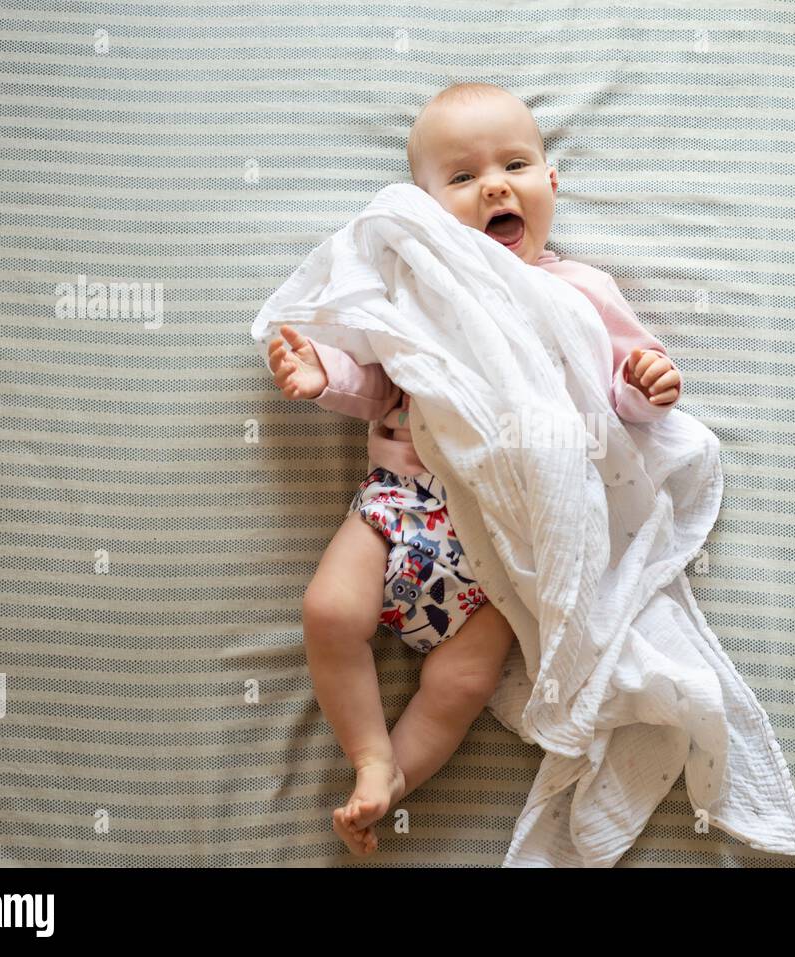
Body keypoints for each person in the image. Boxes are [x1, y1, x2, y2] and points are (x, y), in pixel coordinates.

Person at [266, 82, 683, 856]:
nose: (494, 184)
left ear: (549, 183)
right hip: (402, 499)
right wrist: (323, 374)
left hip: (505, 534)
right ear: (425, 210)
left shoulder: (578, 291)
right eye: (461, 178)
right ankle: (368, 749)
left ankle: (392, 778)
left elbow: (613, 382)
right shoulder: (424, 290)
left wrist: (646, 381)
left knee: (457, 687)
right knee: (328, 610)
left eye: (515, 164)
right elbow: (381, 370)